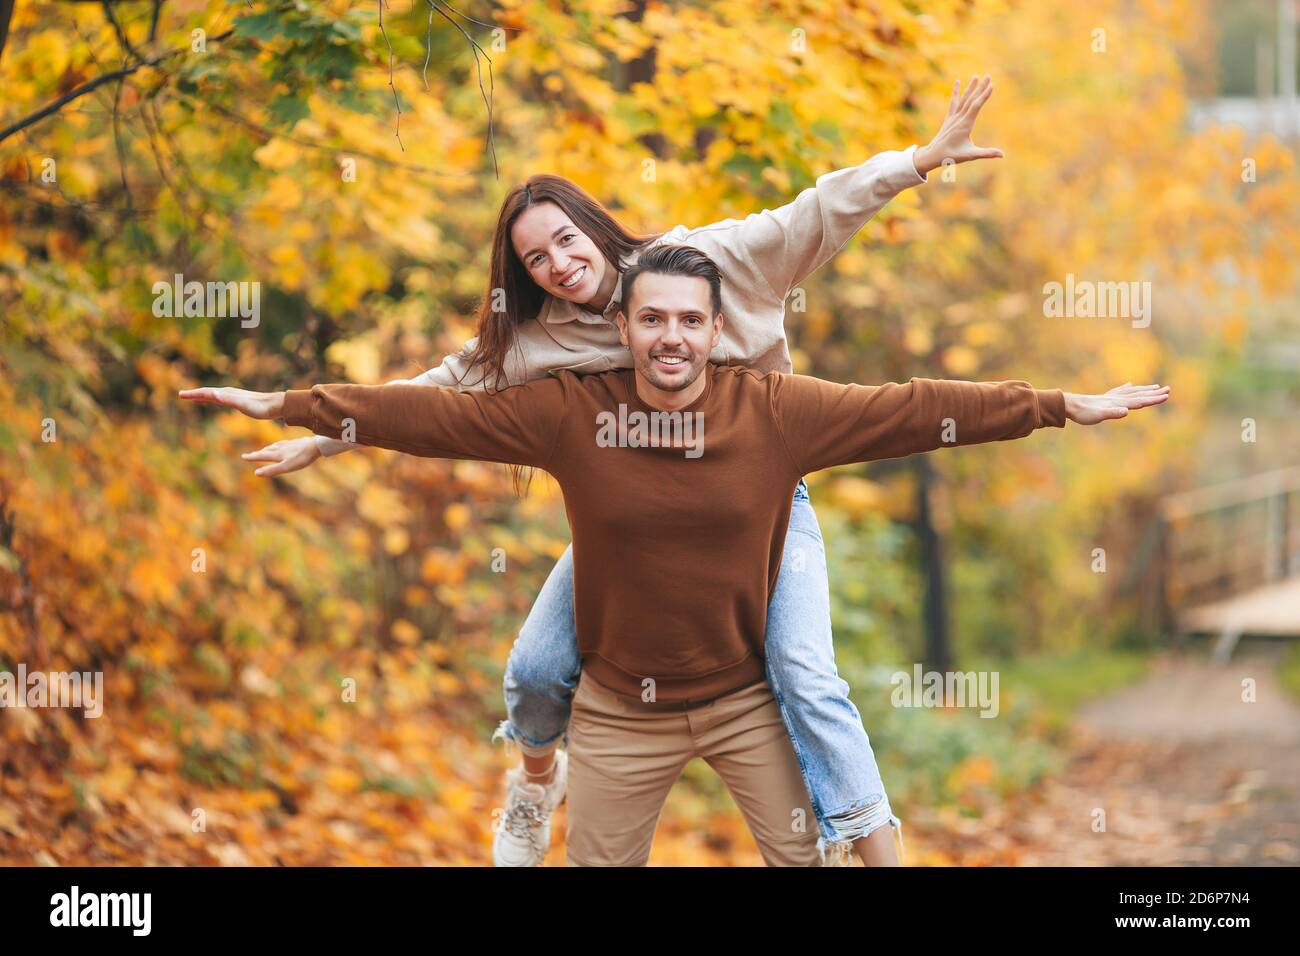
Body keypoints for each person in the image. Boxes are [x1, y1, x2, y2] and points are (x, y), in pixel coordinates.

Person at [180, 243, 1170, 866]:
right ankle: (537, 775)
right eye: (651, 317)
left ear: (716, 330)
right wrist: (297, 405)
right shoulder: (571, 412)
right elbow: (431, 414)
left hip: (746, 705)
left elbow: (914, 407)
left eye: (689, 320)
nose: (670, 336)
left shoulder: (775, 412)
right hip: (616, 710)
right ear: (622, 326)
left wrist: (1057, 404)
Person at [233, 76, 1006, 867]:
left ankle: (847, 836)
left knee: (803, 668)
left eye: (565, 240)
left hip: (760, 502)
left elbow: (816, 212)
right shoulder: (536, 346)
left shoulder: (706, 263)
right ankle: (538, 781)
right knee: (534, 668)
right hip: (632, 516)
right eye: (535, 259)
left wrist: (918, 162)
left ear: (594, 227)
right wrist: (325, 433)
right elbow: (436, 399)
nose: (558, 264)